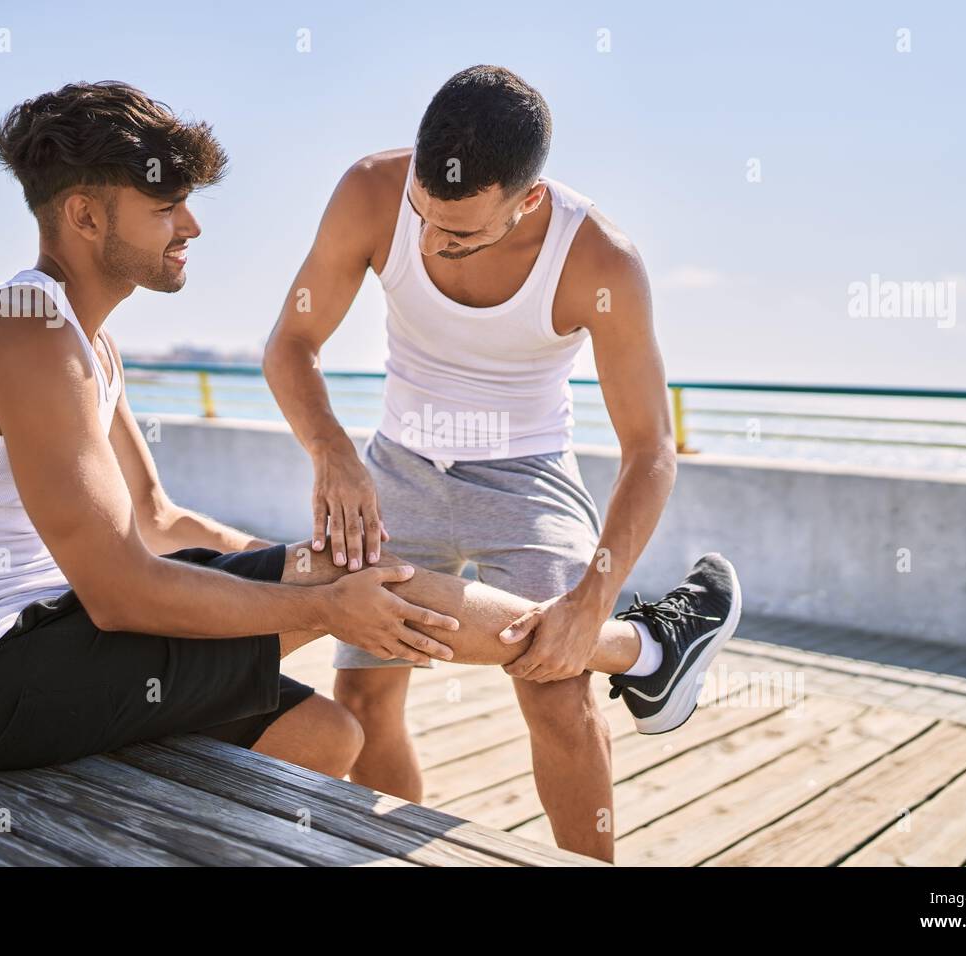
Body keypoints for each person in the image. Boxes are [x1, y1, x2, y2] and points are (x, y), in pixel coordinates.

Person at [0, 82, 740, 830]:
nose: (193, 225)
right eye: (165, 206)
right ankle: (645, 651)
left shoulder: (88, 346)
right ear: (85, 215)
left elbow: (159, 520)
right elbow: (119, 590)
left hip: (60, 646)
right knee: (340, 591)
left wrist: (313, 570)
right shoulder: (28, 339)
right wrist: (326, 602)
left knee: (327, 733)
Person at [263, 65, 741, 861]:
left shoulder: (601, 261)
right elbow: (291, 345)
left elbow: (651, 450)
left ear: (528, 200)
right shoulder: (371, 191)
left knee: (555, 690)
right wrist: (332, 451)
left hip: (528, 472)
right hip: (396, 466)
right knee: (365, 687)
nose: (431, 246)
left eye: (460, 236)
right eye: (423, 217)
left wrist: (596, 595)